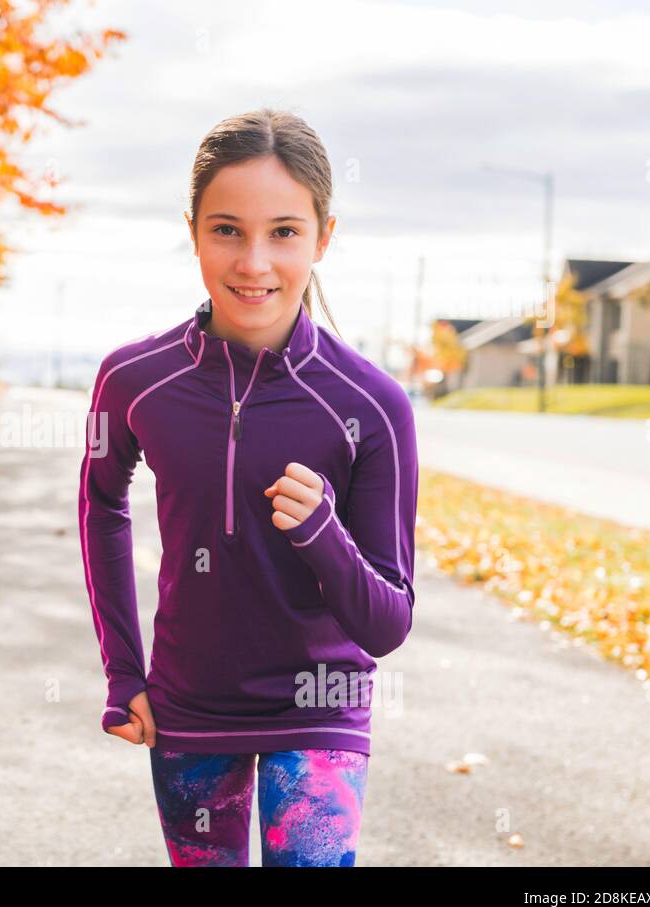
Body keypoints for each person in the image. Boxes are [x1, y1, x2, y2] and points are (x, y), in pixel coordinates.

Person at [78, 108, 419, 866]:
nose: (254, 263)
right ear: (193, 230)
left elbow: (388, 623)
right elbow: (101, 501)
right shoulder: (135, 379)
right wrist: (123, 670)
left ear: (324, 237)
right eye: (227, 229)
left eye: (285, 233)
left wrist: (322, 534)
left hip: (321, 709)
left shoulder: (372, 405)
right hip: (190, 705)